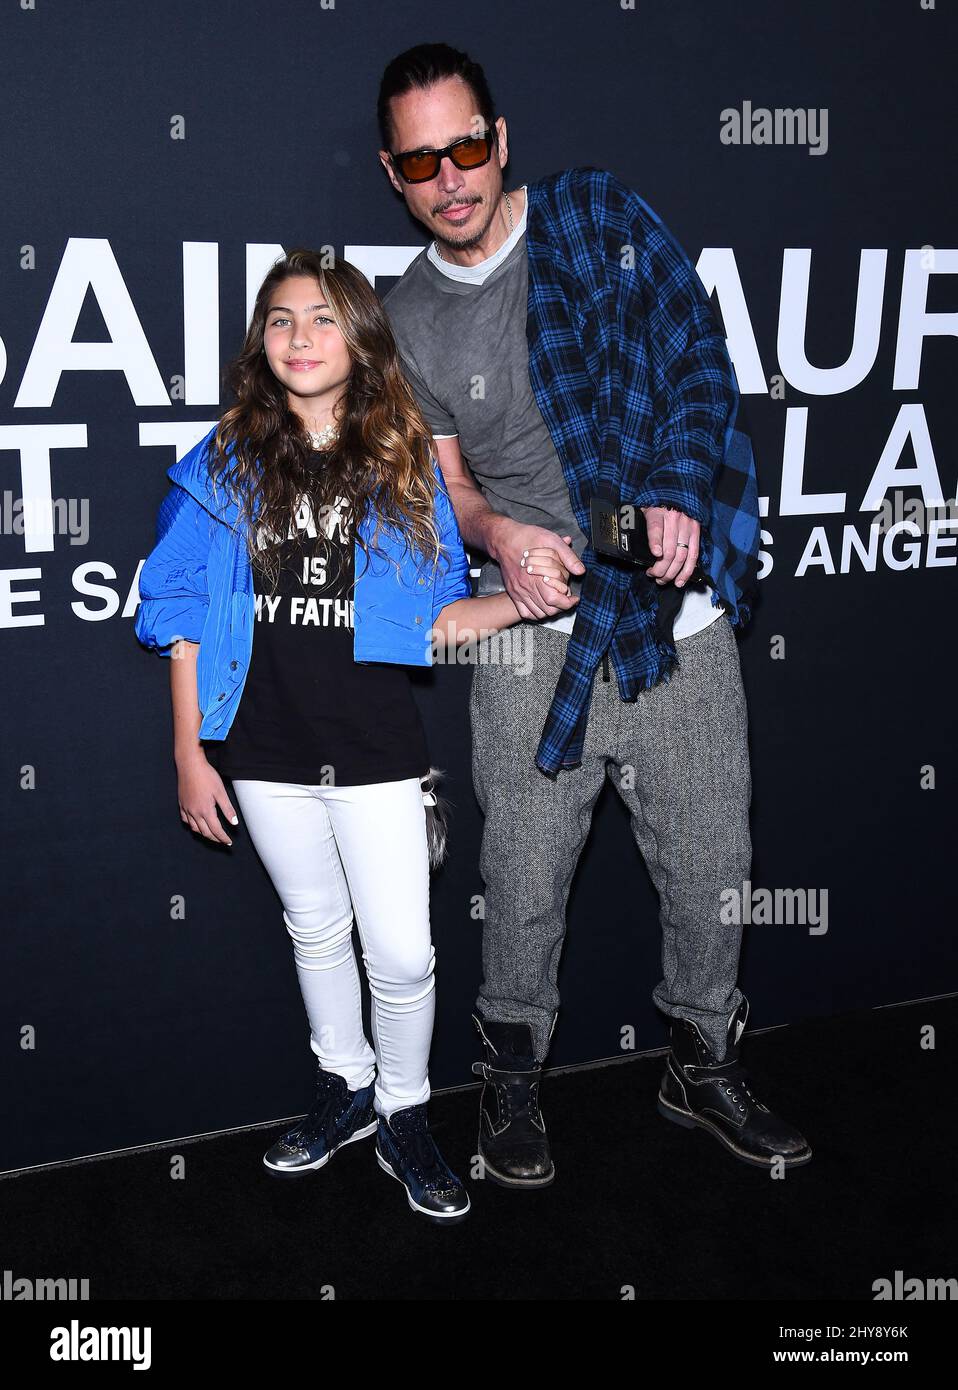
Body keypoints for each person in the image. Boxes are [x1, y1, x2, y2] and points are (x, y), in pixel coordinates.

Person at [376, 43, 812, 1185]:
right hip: (533, 638)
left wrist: (672, 484)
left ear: (500, 139)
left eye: (467, 147)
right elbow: (446, 486)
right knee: (518, 883)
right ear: (393, 173)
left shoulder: (598, 216)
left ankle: (701, 1066)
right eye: (423, 162)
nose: (451, 178)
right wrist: (501, 539)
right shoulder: (403, 315)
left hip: (677, 621)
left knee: (715, 862)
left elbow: (699, 363)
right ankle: (509, 1083)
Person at [134, 249, 576, 1223]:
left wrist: (520, 600)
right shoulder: (223, 460)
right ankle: (346, 1091)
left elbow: (432, 624)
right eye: (282, 319)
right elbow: (178, 610)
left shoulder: (402, 461)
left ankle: (406, 1110)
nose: (299, 336)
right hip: (259, 747)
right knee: (315, 929)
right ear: (262, 341)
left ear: (361, 339)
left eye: (324, 318)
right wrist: (187, 749)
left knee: (405, 954)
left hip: (372, 747)